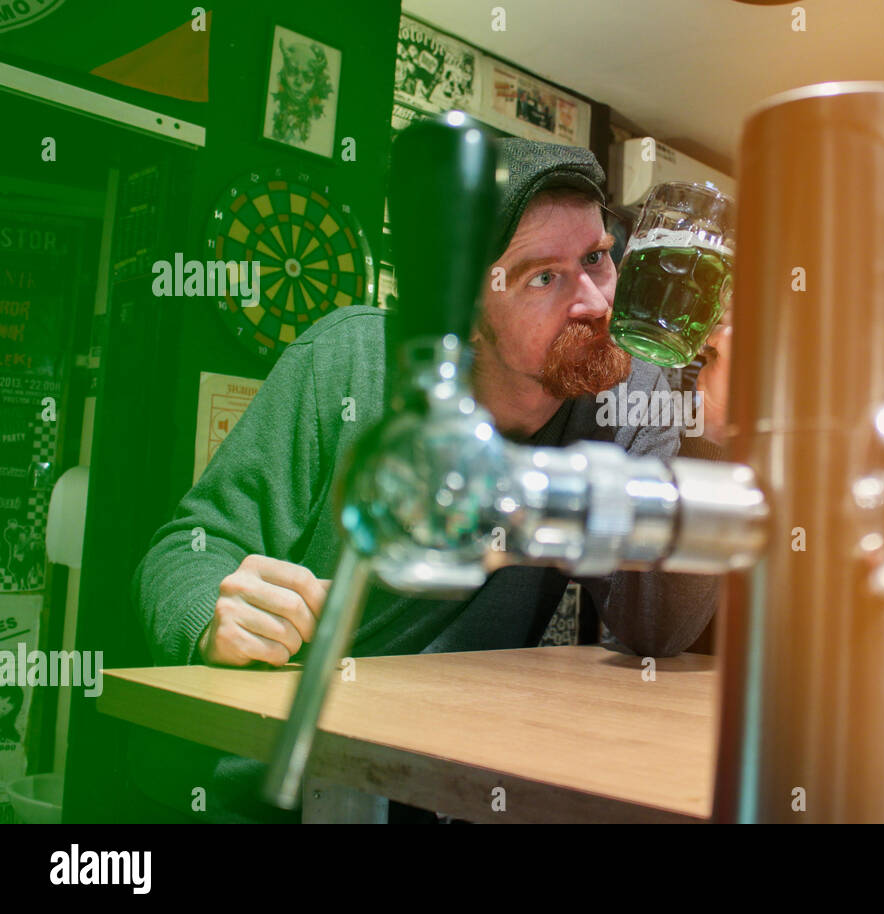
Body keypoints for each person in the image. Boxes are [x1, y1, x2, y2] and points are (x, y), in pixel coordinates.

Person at [127, 135, 725, 823]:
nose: (595, 301)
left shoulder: (624, 391)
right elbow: (183, 549)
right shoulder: (349, 359)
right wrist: (211, 617)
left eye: (596, 258)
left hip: (414, 787)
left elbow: (656, 627)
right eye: (544, 277)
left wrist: (698, 418)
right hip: (243, 784)